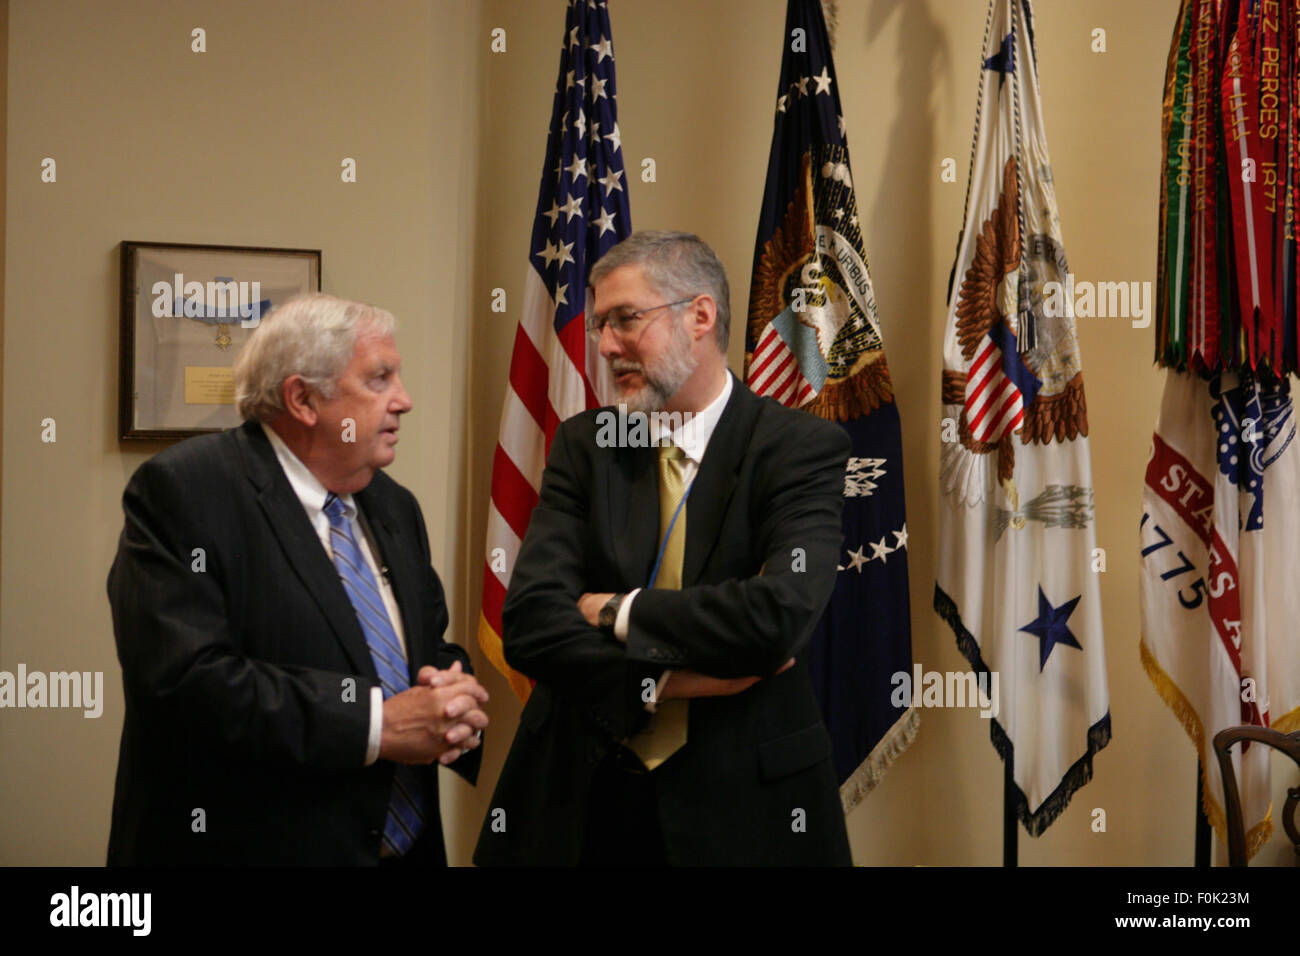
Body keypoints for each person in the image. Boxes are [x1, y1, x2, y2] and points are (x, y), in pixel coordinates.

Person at [474, 231, 852, 866]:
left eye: (626, 319)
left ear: (699, 316)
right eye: (599, 325)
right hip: (581, 804)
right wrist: (669, 680)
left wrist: (612, 612)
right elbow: (532, 625)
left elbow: (775, 618)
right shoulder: (586, 446)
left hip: (746, 809)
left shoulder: (796, 449)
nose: (604, 346)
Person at [106, 293, 488, 865]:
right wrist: (376, 725)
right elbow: (184, 683)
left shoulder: (393, 506)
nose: (404, 401)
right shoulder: (186, 491)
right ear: (303, 399)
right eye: (380, 379)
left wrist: (453, 694)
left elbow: (421, 647)